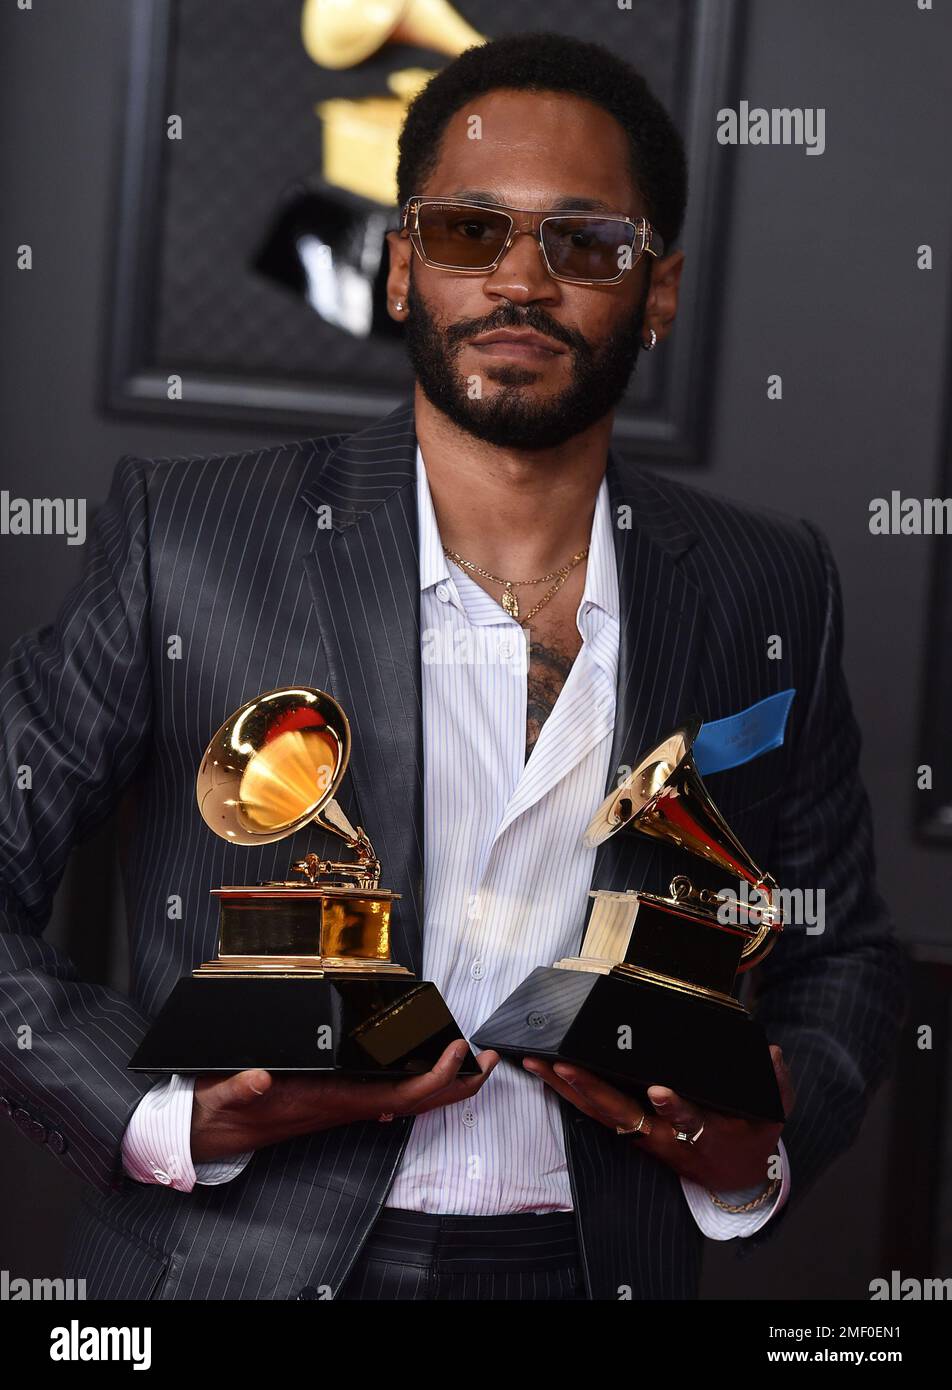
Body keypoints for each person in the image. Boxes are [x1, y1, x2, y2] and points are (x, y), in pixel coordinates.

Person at [0, 32, 905, 1301]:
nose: (521, 282)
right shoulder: (187, 538)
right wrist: (180, 1116)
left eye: (585, 243)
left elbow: (847, 950)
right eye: (472, 231)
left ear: (658, 290)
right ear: (401, 267)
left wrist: (754, 1144)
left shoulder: (771, 581)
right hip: (223, 1271)